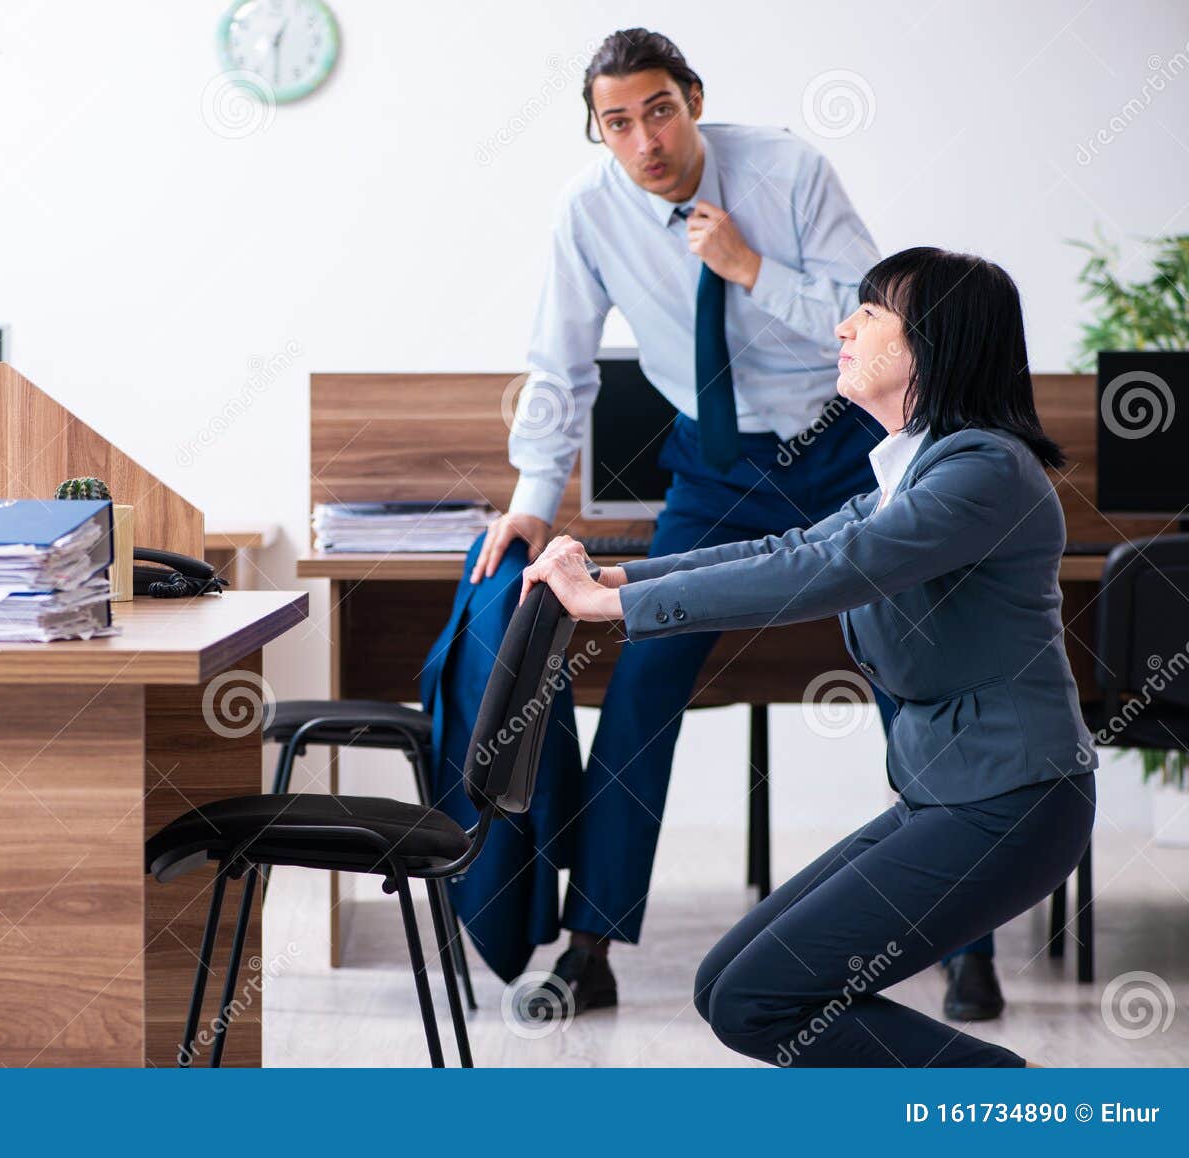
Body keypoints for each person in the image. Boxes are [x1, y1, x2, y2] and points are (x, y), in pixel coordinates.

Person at [423, 26, 1007, 1017]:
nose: (645, 139)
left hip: (844, 448)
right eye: (618, 122)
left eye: (659, 109)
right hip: (714, 464)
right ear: (597, 133)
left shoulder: (787, 171)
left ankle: (963, 942)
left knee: (916, 672)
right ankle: (591, 944)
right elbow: (558, 367)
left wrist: (747, 268)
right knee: (643, 680)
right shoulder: (589, 212)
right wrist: (530, 502)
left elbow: (876, 322)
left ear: (692, 98)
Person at [518, 247, 1093, 1066]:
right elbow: (790, 544)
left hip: (1012, 804)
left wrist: (613, 607)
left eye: (869, 313)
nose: (843, 326)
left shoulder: (984, 473)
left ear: (932, 342)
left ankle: (1026, 1116)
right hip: (948, 796)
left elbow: (827, 570)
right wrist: (618, 574)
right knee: (725, 986)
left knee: (762, 999)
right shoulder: (915, 468)